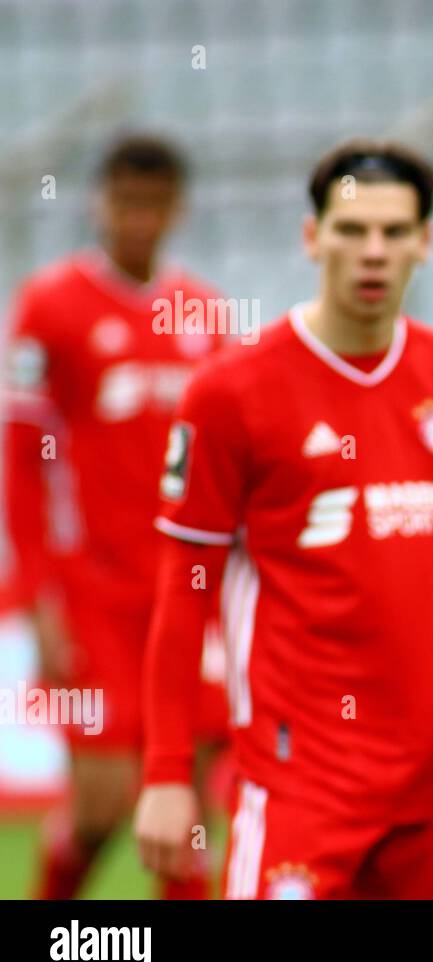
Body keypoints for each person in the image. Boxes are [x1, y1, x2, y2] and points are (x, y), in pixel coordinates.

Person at [133, 140, 433, 899]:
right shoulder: (230, 393)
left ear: (425, 241)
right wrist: (167, 773)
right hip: (299, 785)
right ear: (313, 238)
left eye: (393, 231)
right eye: (350, 229)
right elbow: (183, 593)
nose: (372, 251)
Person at [3, 134, 229, 899]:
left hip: (186, 589)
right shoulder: (48, 307)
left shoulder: (205, 314)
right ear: (101, 203)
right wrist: (38, 596)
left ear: (175, 210)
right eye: (125, 203)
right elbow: (22, 463)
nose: (138, 220)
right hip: (93, 592)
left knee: (189, 808)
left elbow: (224, 464)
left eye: (153, 205)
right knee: (101, 803)